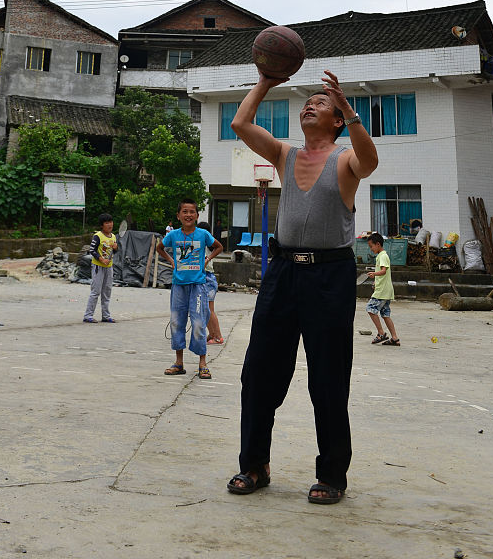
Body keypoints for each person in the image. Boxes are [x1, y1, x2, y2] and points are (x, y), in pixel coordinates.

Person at [226, 70, 378, 505]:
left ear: (337, 120)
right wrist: (265, 80)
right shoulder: (284, 155)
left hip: (329, 276)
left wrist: (348, 108)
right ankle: (254, 465)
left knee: (329, 378)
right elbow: (240, 124)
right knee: (259, 373)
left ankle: (331, 475)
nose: (310, 105)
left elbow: (369, 163)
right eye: (307, 102)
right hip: (283, 272)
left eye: (320, 103)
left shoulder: (345, 159)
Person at [156, 199, 222, 380]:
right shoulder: (173, 235)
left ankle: (203, 363)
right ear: (178, 216)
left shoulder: (203, 234)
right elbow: (160, 248)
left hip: (198, 286)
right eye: (184, 211)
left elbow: (218, 247)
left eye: (192, 211)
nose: (188, 215)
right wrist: (171, 261)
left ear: (197, 215)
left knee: (199, 322)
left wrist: (207, 259)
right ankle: (179, 363)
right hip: (178, 286)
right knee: (177, 322)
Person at [83, 212, 118, 323]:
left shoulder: (113, 236)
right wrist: (102, 259)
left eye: (111, 222)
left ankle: (106, 316)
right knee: (96, 291)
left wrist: (116, 248)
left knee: (107, 292)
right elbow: (92, 250)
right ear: (102, 225)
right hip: (98, 267)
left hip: (109, 267)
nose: (110, 224)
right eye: (107, 223)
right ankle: (88, 315)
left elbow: (114, 252)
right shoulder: (97, 236)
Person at [366, 233, 399, 345]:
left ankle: (381, 333)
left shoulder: (383, 256)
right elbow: (384, 273)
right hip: (385, 290)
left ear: (378, 244)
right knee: (385, 314)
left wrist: (374, 274)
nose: (371, 249)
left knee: (370, 309)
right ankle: (394, 338)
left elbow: (384, 271)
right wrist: (376, 281)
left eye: (371, 246)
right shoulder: (381, 256)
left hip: (382, 291)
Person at [198, 220, 223, 344]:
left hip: (207, 278)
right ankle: (212, 334)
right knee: (206, 309)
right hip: (209, 278)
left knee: (209, 309)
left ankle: (218, 336)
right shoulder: (208, 246)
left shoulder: (204, 245)